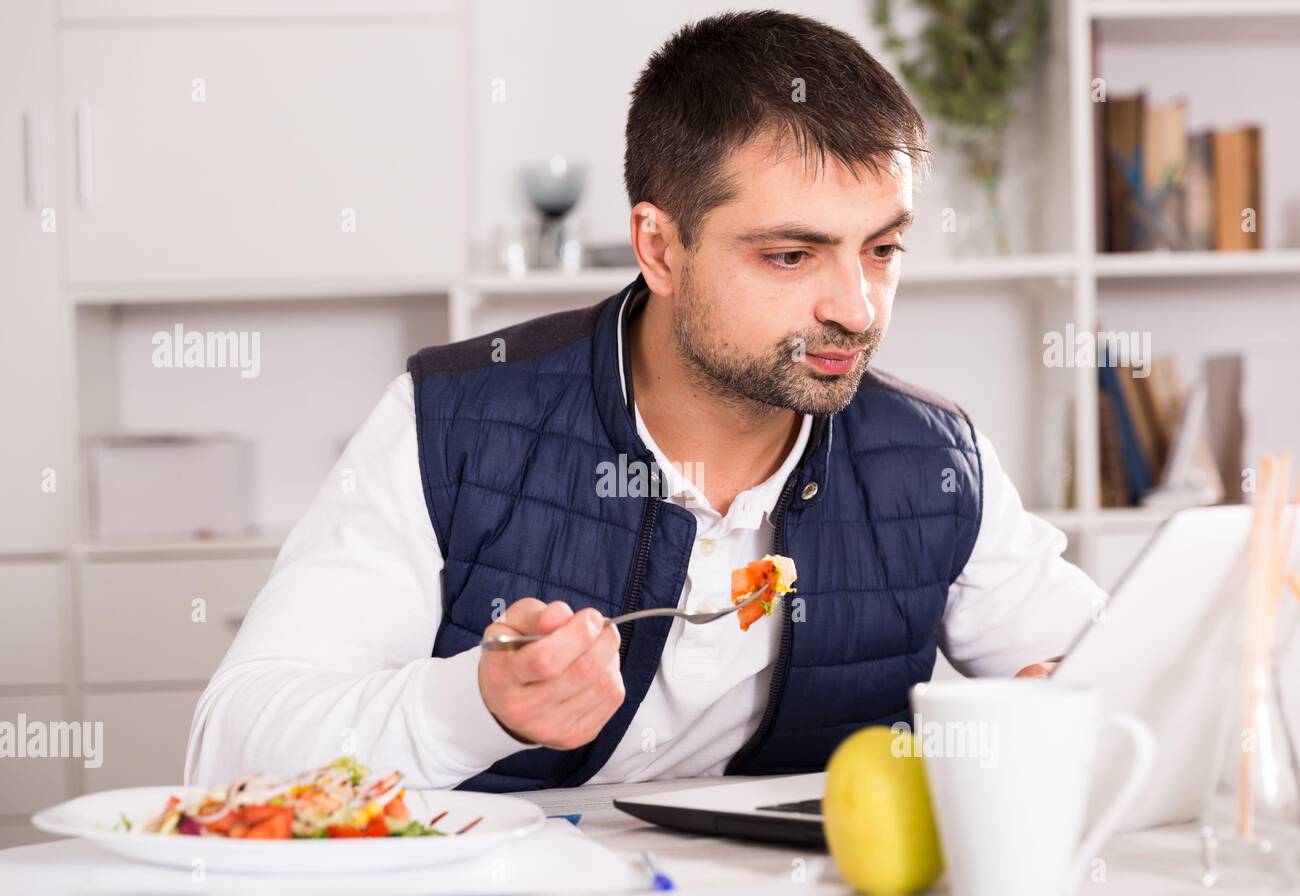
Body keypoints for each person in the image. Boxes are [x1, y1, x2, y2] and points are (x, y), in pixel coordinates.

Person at [186, 10, 1104, 792]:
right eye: (790, 256)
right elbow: (229, 750)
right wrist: (474, 704)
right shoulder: (449, 422)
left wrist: (1068, 712)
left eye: (882, 249)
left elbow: (1121, 675)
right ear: (659, 248)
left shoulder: (933, 459)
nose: (855, 308)